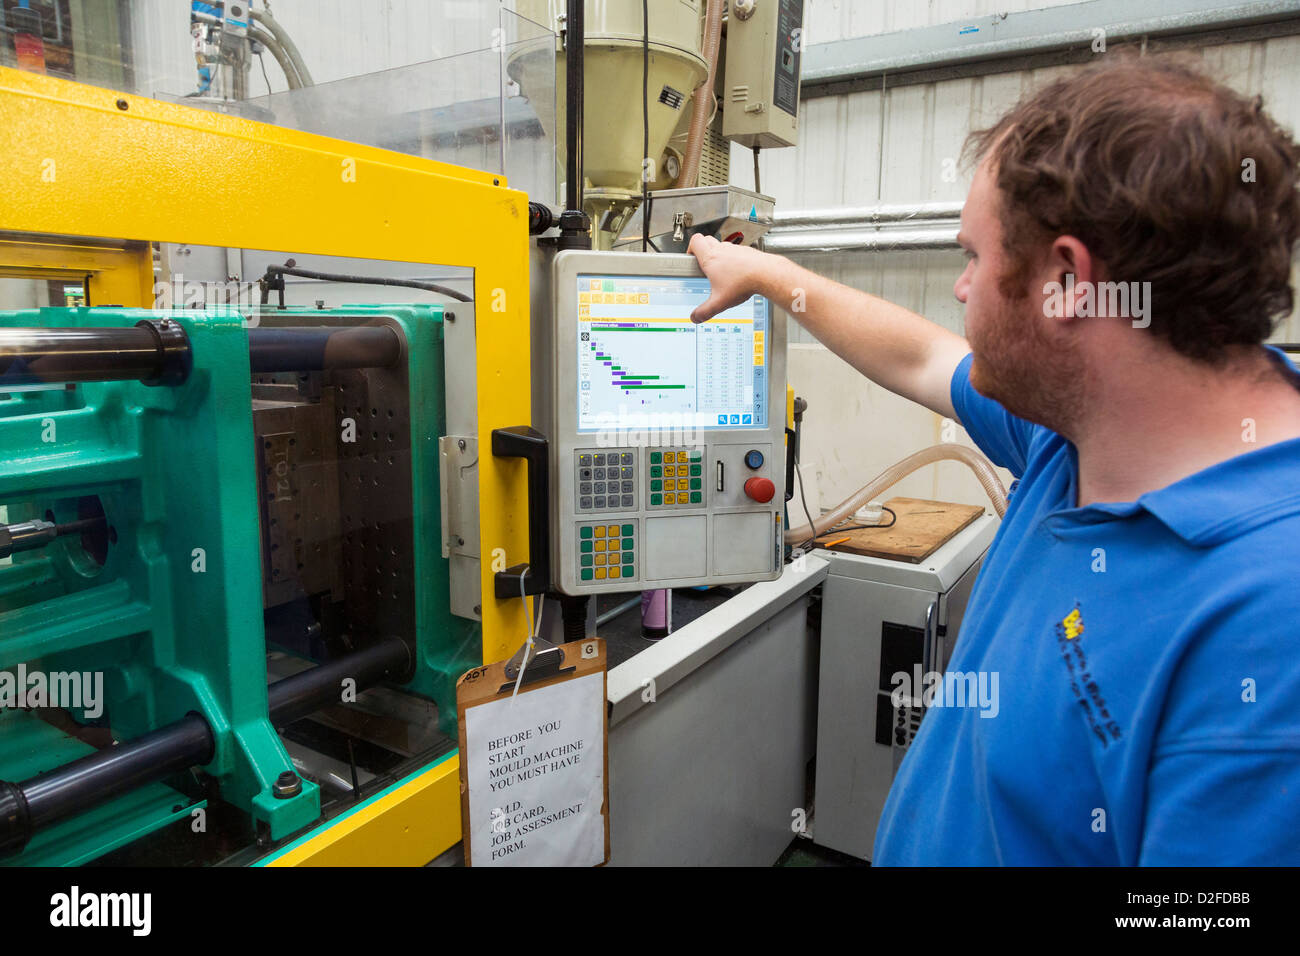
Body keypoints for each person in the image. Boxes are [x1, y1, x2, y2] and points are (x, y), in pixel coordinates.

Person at [688, 56, 1300, 865]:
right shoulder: (1079, 428)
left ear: (1067, 281)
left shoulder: (1268, 623)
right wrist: (769, 276)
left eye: (973, 257)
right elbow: (917, 357)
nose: (961, 290)